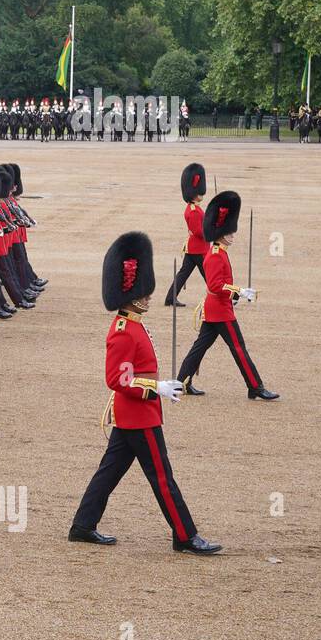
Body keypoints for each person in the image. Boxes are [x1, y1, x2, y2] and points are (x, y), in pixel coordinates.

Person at [68, 232, 222, 555]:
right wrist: (157, 388)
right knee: (162, 477)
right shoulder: (124, 331)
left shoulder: (133, 324)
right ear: (132, 296)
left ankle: (83, 525)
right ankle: (184, 534)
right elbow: (117, 380)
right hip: (139, 416)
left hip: (134, 416)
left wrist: (161, 385)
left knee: (108, 472)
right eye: (143, 293)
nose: (149, 297)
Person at [176, 191, 278, 401]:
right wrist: (238, 290)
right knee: (239, 348)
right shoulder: (215, 255)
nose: (233, 235)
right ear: (221, 233)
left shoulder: (219, 252)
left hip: (217, 308)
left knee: (200, 347)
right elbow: (214, 285)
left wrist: (236, 292)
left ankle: (182, 382)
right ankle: (255, 386)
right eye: (230, 232)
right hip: (220, 310)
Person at [163, 163, 206, 309]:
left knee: (183, 274)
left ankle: (170, 298)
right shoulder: (193, 211)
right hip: (198, 249)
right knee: (210, 276)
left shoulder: (194, 208)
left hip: (195, 248)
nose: (202, 194)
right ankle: (221, 297)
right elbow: (199, 232)